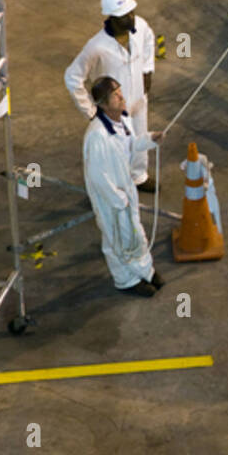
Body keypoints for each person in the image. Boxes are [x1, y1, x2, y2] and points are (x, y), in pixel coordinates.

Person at [66, 0, 157, 190]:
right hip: (114, 108)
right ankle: (112, 188)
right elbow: (72, 77)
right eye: (124, 16)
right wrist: (90, 111)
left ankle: (138, 176)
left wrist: (147, 69)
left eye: (131, 12)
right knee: (115, 150)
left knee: (140, 137)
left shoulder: (140, 26)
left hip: (139, 100)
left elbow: (150, 40)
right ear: (112, 18)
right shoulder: (96, 47)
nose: (131, 18)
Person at [83, 76, 165, 296]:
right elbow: (97, 176)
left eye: (120, 91)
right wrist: (118, 200)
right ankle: (126, 280)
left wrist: (150, 139)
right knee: (116, 240)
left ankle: (146, 271)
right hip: (110, 198)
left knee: (135, 233)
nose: (121, 97)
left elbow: (131, 144)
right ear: (102, 104)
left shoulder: (122, 121)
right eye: (115, 95)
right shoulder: (97, 136)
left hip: (125, 189)